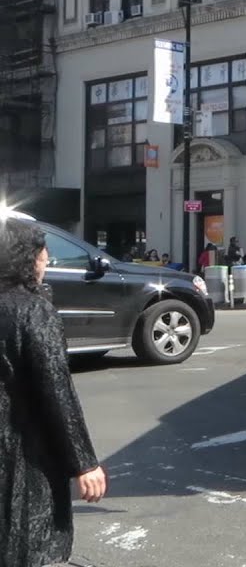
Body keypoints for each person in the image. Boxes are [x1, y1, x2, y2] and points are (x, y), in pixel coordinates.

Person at [0, 218, 107, 565]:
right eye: (42, 251)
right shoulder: (32, 310)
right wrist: (84, 463)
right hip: (23, 452)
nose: (47, 259)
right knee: (24, 541)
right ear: (25, 257)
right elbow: (55, 390)